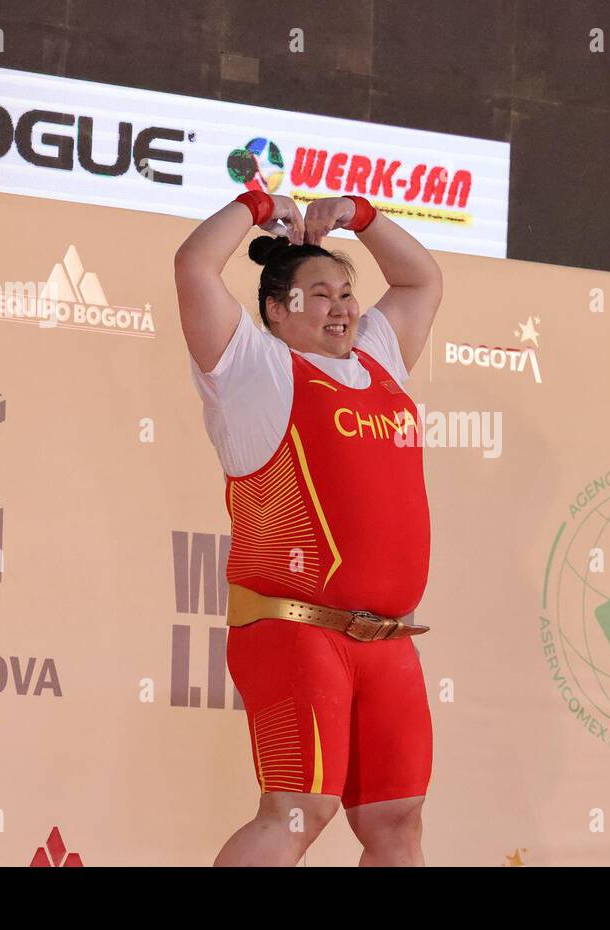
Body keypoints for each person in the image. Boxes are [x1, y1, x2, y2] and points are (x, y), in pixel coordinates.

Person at [174, 189, 443, 866]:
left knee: (397, 823)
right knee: (298, 809)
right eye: (319, 293)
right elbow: (195, 267)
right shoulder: (253, 371)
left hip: (389, 638)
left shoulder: (379, 357)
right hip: (296, 627)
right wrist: (255, 203)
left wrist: (360, 214)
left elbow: (421, 279)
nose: (344, 305)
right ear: (275, 309)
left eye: (347, 291)